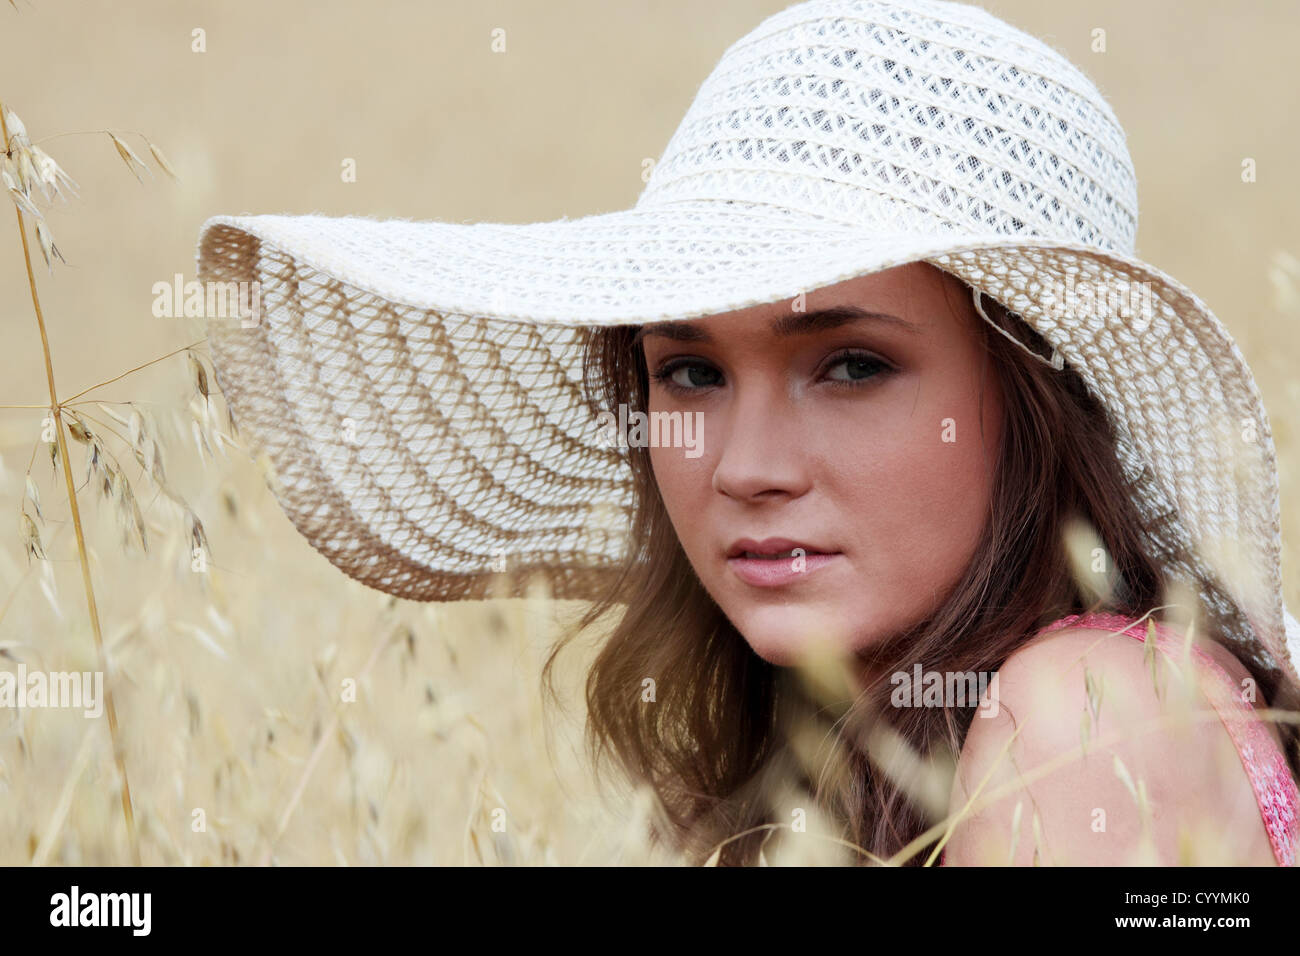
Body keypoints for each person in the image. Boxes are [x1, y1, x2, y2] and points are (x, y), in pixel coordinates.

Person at [194, 0, 1300, 865]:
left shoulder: (1087, 721)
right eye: (688, 371)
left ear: (1029, 397)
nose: (744, 466)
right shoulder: (875, 748)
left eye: (852, 364)